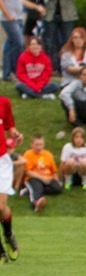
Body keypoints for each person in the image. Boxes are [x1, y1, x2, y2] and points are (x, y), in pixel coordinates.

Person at [0, 94, 23, 263]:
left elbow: (10, 128)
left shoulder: (4, 102)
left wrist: (16, 135)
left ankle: (8, 234)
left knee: (1, 207)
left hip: (1, 161)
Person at [0, 0, 28, 81]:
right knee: (18, 42)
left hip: (19, 17)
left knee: (11, 44)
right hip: (8, 18)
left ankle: (6, 73)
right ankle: (14, 70)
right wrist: (7, 14)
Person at [23, 134, 62, 213]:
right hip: (33, 178)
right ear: (32, 145)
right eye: (36, 144)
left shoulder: (48, 154)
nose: (39, 147)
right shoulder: (28, 154)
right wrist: (42, 178)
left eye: (40, 144)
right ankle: (36, 204)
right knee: (37, 189)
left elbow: (53, 170)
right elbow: (28, 171)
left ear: (43, 145)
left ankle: (28, 191)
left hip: (47, 177)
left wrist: (55, 178)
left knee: (57, 189)